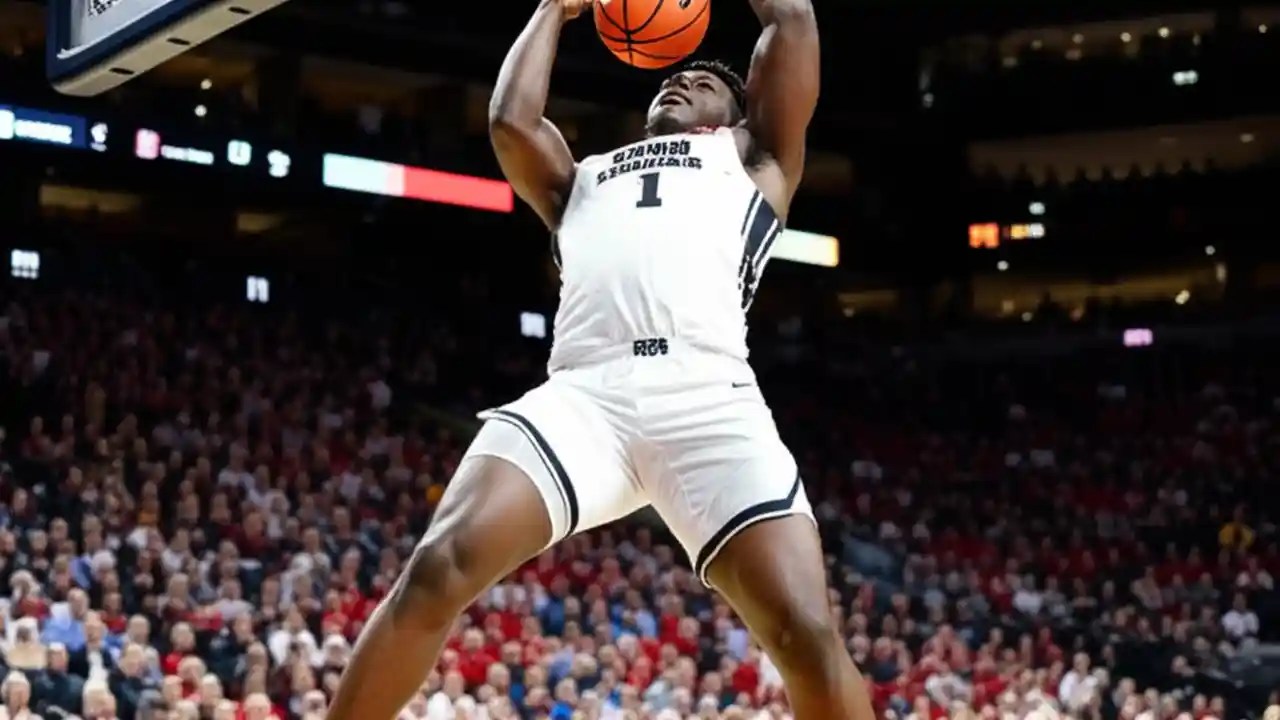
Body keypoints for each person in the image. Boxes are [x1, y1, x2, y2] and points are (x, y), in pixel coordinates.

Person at [327, 0, 874, 718]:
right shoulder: (581, 177)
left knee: (804, 633)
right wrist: (555, 8)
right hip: (586, 395)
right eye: (669, 80)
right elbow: (510, 123)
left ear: (732, 114)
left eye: (701, 85)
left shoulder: (755, 156)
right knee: (436, 569)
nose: (677, 83)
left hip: (706, 394)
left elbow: (793, 20)